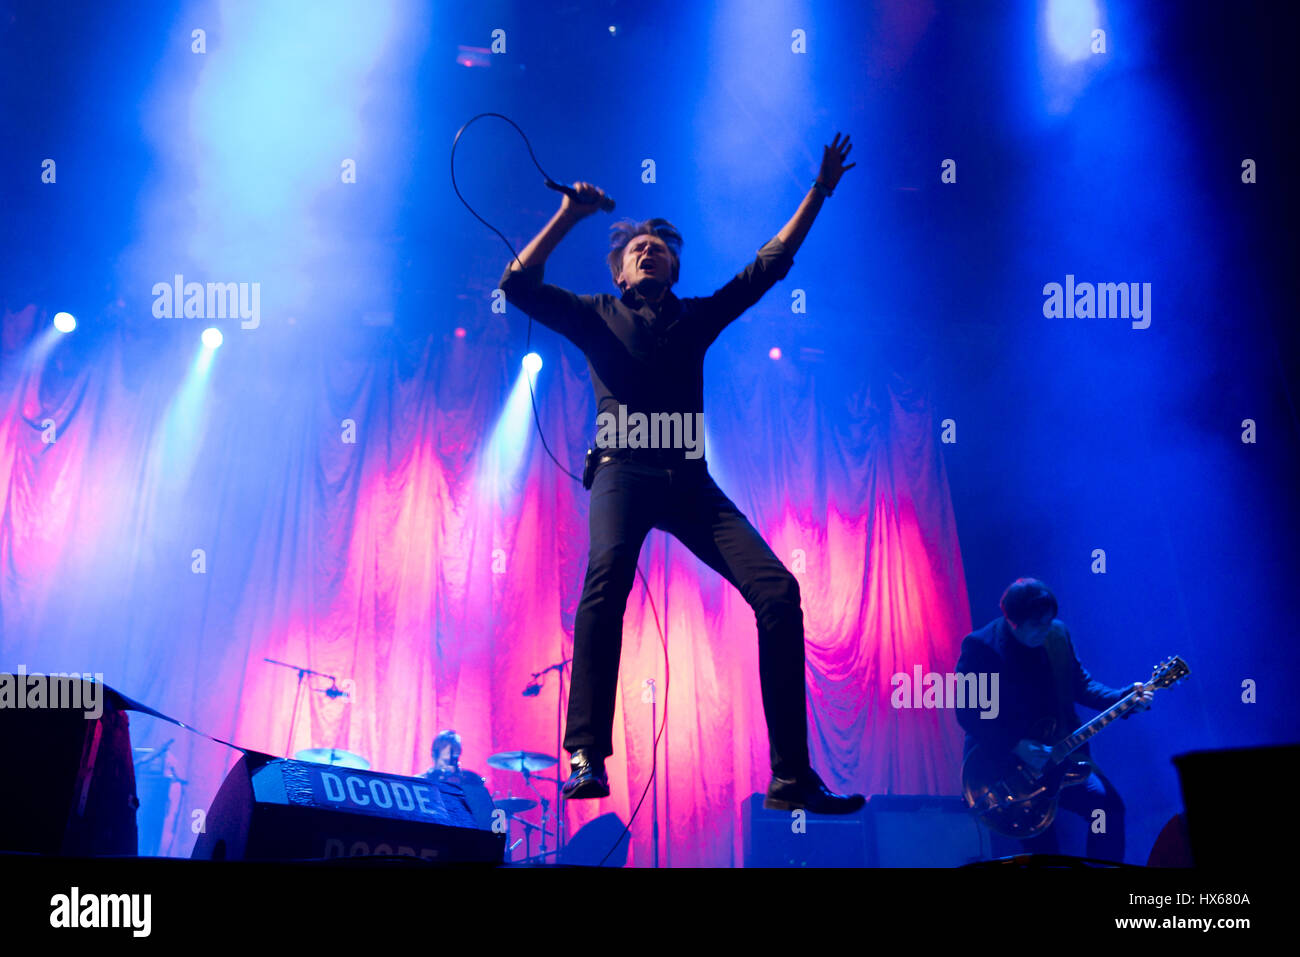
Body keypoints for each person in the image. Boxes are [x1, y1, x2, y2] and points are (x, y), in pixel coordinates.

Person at [498, 134, 864, 813]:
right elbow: (516, 285)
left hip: (691, 480)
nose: (650, 248)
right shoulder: (594, 313)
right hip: (623, 471)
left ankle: (791, 774)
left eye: (660, 247)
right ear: (619, 273)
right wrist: (571, 216)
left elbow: (767, 268)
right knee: (604, 586)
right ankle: (585, 751)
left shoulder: (695, 318)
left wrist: (816, 193)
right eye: (637, 246)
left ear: (672, 268)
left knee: (779, 591)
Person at [954, 578, 1152, 861]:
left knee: (1107, 807)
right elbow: (969, 714)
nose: (1045, 630)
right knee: (1043, 849)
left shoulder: (1057, 634)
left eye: (1049, 622)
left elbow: (1080, 685)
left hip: (1057, 756)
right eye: (1037, 625)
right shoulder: (981, 649)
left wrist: (1122, 698)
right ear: (1013, 622)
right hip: (1005, 769)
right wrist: (1016, 744)